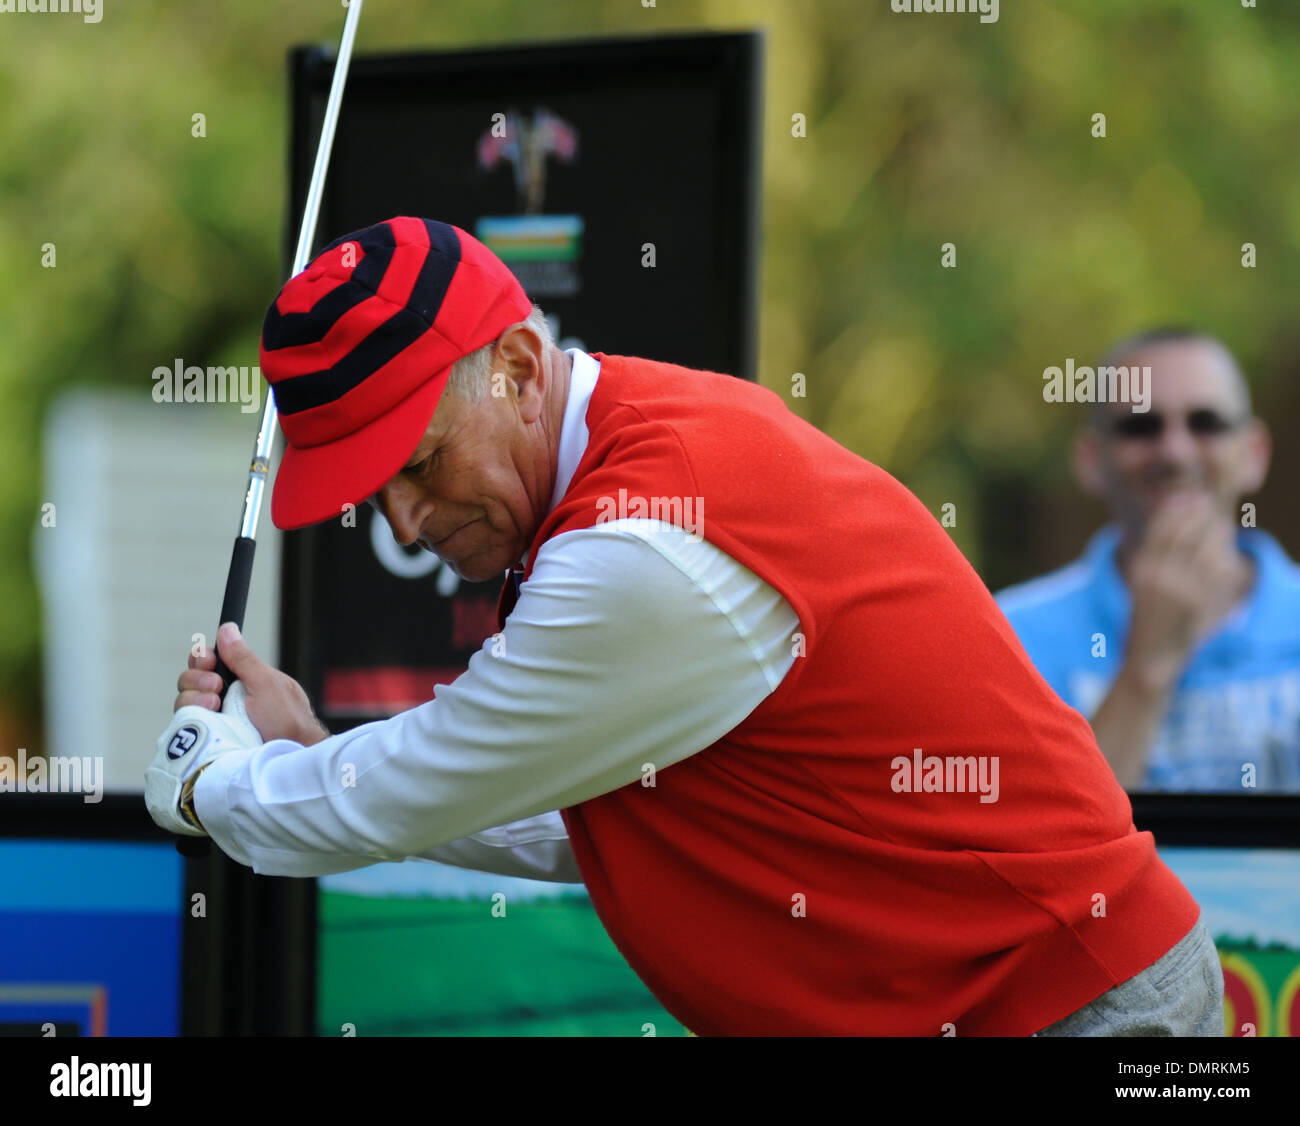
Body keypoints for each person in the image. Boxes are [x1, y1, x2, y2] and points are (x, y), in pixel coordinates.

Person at [146, 218, 1222, 1036]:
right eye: (372, 493)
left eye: (419, 465)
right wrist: (311, 759)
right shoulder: (625, 458)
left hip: (1080, 1009)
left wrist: (211, 785)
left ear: (519, 368)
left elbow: (422, 782)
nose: (408, 521)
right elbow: (592, 815)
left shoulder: (634, 553)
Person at [996, 328, 1300, 792]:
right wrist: (1147, 667)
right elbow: (1038, 848)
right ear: (1091, 460)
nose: (1175, 451)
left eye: (1206, 423)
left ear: (1254, 454)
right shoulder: (1009, 639)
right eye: (1141, 426)